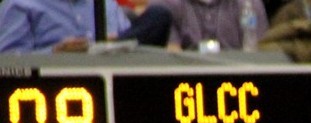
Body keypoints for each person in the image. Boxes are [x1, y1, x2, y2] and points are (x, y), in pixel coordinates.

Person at [0, 0, 172, 50]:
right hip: (57, 85)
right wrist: (55, 53)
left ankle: (103, 47)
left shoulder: (107, 5)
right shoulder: (20, 4)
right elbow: (8, 64)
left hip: (112, 74)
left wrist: (115, 43)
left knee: (159, 16)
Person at [153, 0, 269, 51]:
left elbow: (258, 55)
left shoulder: (249, 4)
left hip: (238, 85)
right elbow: (172, 58)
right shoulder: (165, 6)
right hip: (188, 88)